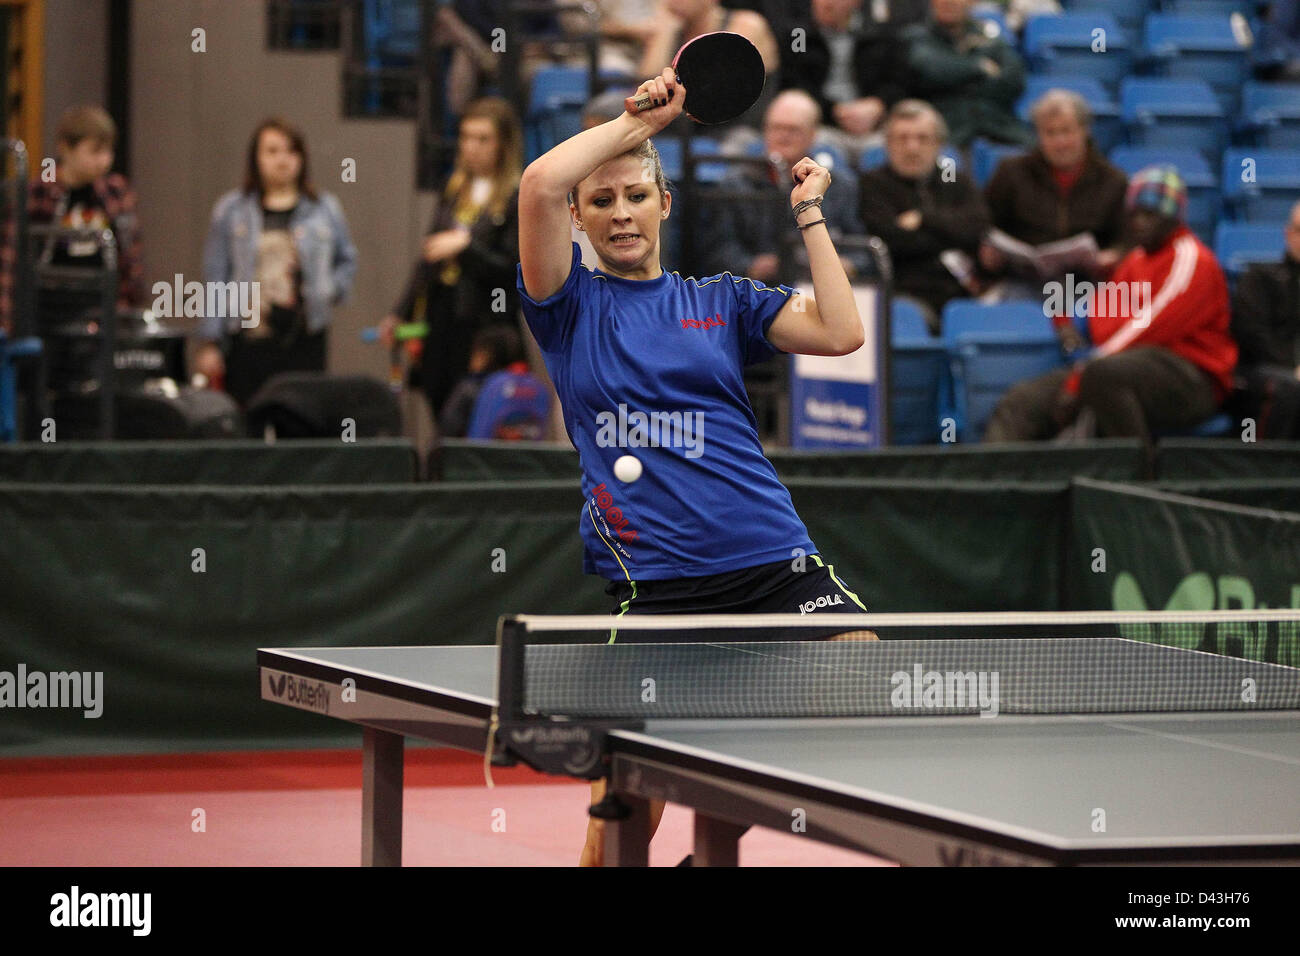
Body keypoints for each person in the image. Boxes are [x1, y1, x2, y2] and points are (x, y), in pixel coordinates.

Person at [517, 64, 873, 865]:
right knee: (623, 817)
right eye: (600, 201)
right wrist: (640, 124)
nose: (620, 214)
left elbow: (844, 332)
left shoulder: (722, 299)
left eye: (636, 196)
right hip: (663, 590)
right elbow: (539, 182)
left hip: (777, 568)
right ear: (578, 218)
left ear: (664, 204)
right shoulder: (567, 308)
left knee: (869, 692)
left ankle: (715, 830)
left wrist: (809, 215)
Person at [984, 167, 1238, 459]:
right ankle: (994, 490)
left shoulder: (1192, 260)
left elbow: (1149, 328)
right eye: (1134, 214)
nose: (1139, 223)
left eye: (1150, 215)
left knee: (1102, 376)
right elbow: (1102, 321)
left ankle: (1136, 484)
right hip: (1121, 366)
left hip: (1191, 380)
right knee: (1021, 401)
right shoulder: (1135, 261)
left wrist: (1081, 376)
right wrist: (1064, 320)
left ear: (1173, 218)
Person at [196, 118, 357, 407]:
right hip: (249, 336)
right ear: (256, 158)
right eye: (272, 151)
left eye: (291, 151)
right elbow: (215, 278)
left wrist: (327, 289)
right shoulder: (232, 210)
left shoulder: (323, 208)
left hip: (304, 334)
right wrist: (210, 341)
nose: (282, 160)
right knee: (248, 429)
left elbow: (347, 260)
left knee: (302, 425)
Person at [379, 98, 522, 419]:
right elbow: (428, 256)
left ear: (503, 144)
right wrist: (399, 313)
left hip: (487, 322)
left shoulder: (517, 195)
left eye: (482, 139)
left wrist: (464, 246)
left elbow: (513, 269)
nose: (471, 147)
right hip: (443, 313)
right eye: (466, 137)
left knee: (476, 414)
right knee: (439, 403)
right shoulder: (454, 188)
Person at [979, 89, 1128, 336]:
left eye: (1067, 131)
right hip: (1023, 282)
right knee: (1007, 326)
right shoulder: (1010, 173)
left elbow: (1127, 241)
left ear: (1084, 131)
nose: (1060, 142)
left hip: (1085, 284)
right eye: (1050, 133)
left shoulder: (1113, 181)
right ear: (1038, 135)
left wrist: (1111, 256)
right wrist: (988, 255)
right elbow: (985, 226)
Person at [0, 105, 145, 336]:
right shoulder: (37, 194)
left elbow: (131, 262)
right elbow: (9, 262)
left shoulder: (115, 192)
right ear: (66, 148)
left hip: (101, 313)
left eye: (109, 151)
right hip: (47, 315)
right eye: (95, 151)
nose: (104, 161)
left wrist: (128, 313)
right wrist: (6, 328)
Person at [701, 89, 868, 282]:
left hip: (819, 285)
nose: (783, 136)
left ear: (813, 135)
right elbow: (717, 249)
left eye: (793, 130)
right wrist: (750, 266)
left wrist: (848, 265)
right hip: (754, 289)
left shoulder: (840, 185)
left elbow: (863, 250)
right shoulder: (734, 184)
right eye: (776, 128)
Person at [858, 99, 991, 331]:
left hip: (963, 291)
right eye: (902, 138)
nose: (912, 148)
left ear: (938, 144)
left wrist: (923, 219)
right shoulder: (873, 184)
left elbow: (977, 228)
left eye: (922, 138)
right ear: (887, 144)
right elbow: (893, 240)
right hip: (904, 291)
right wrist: (950, 232)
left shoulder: (953, 180)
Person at [778, 0, 917, 156]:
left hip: (874, 126)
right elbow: (795, 85)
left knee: (897, 146)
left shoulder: (880, 34)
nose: (825, 3)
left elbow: (900, 82)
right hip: (821, 126)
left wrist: (878, 104)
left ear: (856, 3)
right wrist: (834, 110)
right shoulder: (799, 36)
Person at [901, 0, 1031, 149]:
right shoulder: (916, 37)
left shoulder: (989, 36)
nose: (948, 2)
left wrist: (956, 83)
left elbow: (1014, 80)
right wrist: (979, 67)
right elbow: (930, 70)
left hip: (997, 126)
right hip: (943, 130)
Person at [1231, 201, 1300, 439]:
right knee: (1285, 389)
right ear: (1288, 233)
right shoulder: (1259, 277)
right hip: (1263, 372)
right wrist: (1294, 368)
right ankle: (1265, 468)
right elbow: (1252, 335)